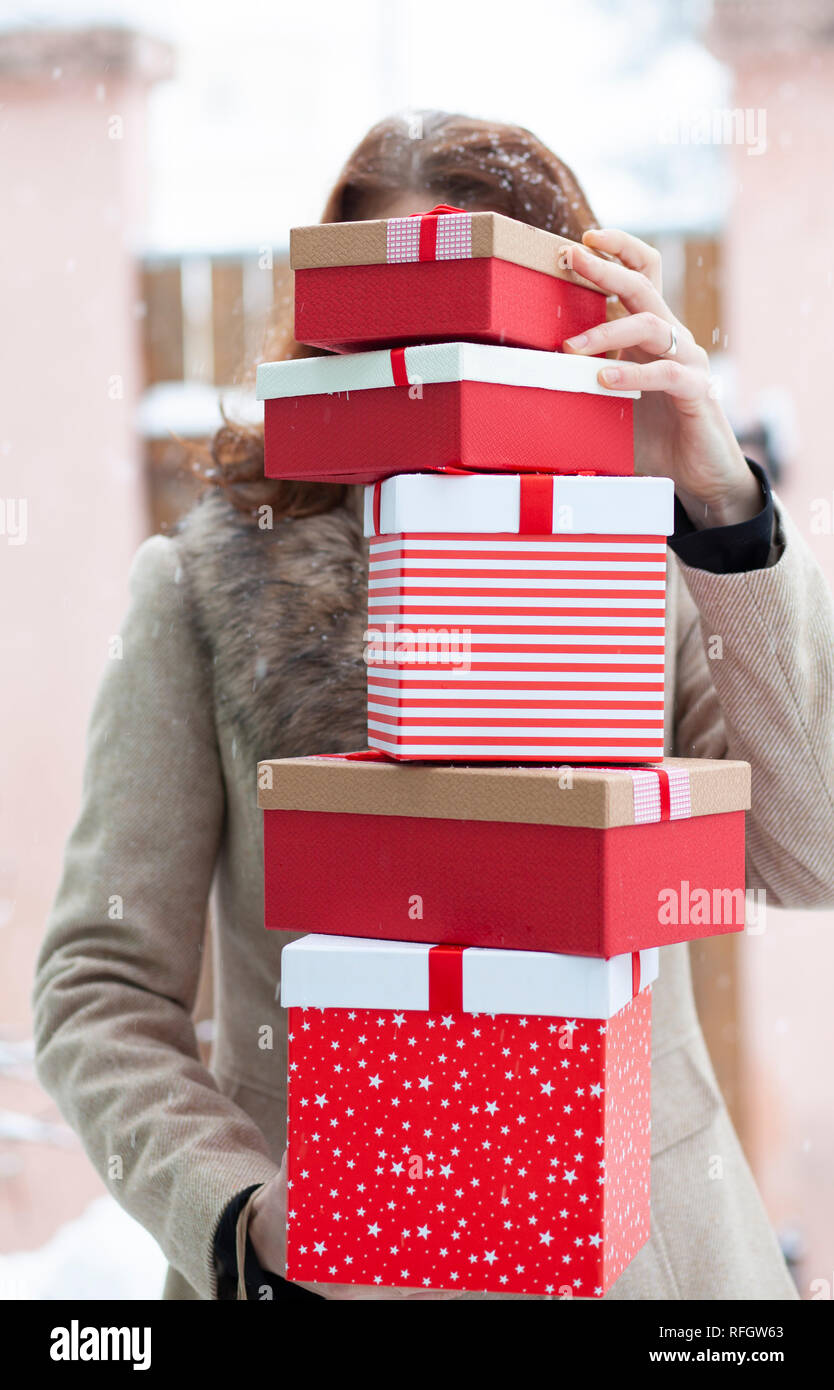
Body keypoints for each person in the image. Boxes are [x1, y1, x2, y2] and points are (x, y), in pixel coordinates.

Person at [33, 111, 834, 1301]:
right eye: (397, 338)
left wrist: (723, 509)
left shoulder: (644, 565)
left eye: (481, 337)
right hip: (346, 1266)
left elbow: (808, 857)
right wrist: (242, 1217)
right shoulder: (206, 586)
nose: (444, 387)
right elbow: (99, 985)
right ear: (329, 339)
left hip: (654, 1266)